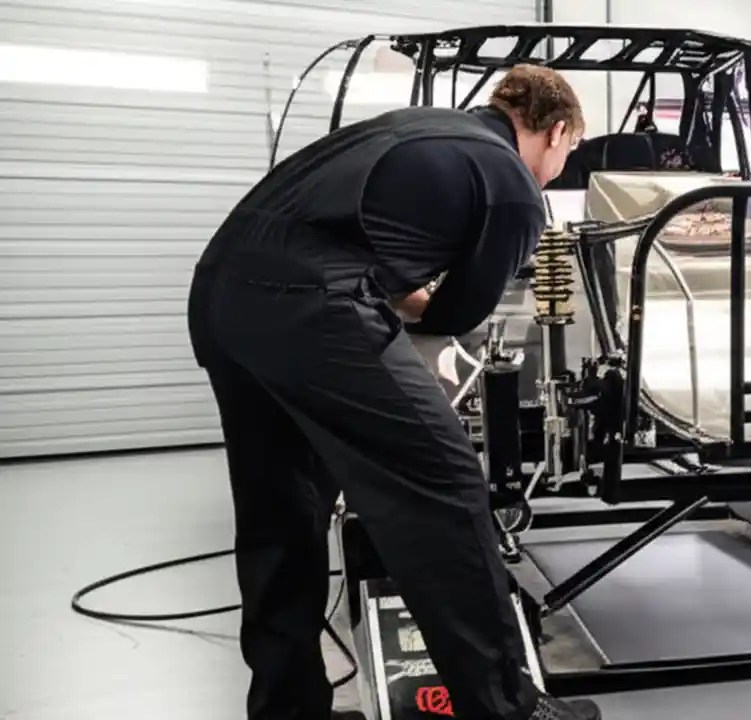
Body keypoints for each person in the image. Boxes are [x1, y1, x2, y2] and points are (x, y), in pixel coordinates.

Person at [186, 64, 598, 720]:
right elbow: (456, 316)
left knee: (280, 514)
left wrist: (390, 291)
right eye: (569, 152)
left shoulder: (423, 131)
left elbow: (350, 234)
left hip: (221, 294)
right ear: (555, 132)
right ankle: (506, 709)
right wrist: (415, 304)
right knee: (447, 492)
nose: (561, 165)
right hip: (314, 308)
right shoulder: (514, 186)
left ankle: (286, 709)